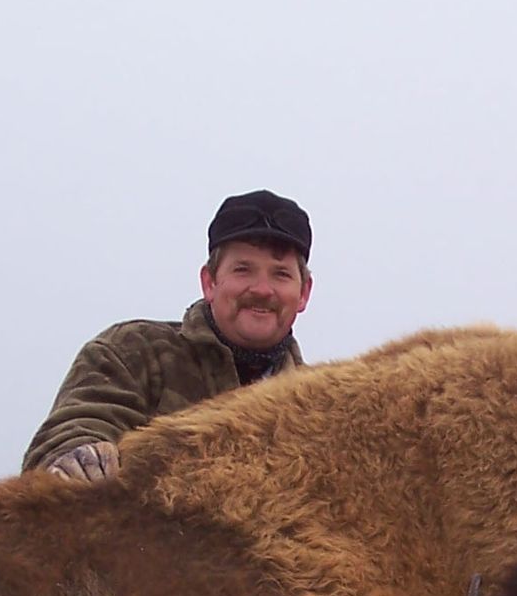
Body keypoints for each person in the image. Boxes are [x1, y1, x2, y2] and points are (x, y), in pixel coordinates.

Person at [23, 189, 313, 482]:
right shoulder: (130, 351)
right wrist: (79, 456)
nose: (262, 290)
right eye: (243, 270)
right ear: (209, 282)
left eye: (280, 274)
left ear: (304, 293)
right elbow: (76, 427)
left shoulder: (317, 407)